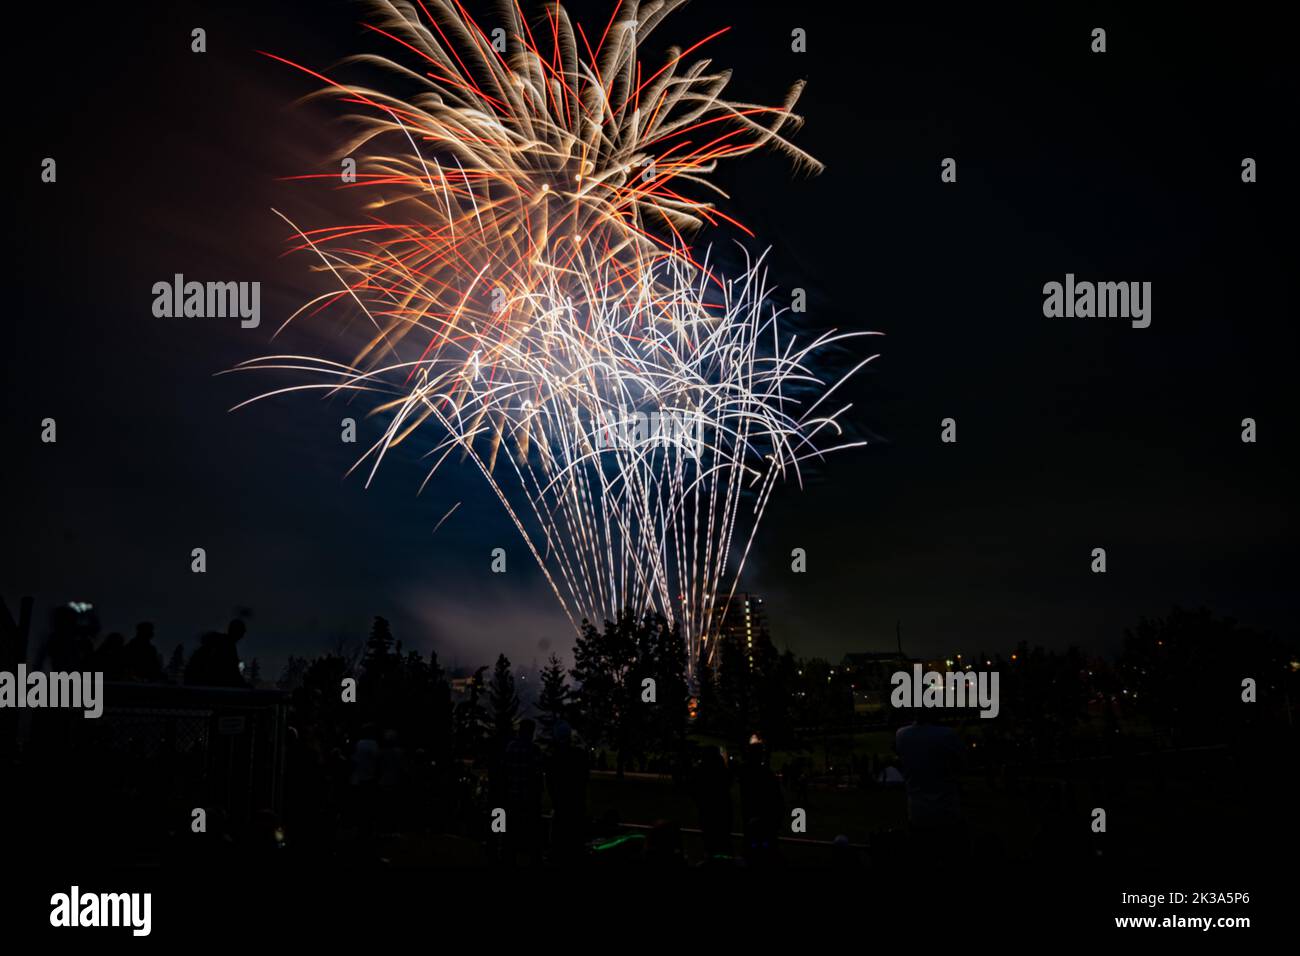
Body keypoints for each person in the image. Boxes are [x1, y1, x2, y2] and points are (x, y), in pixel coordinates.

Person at [894, 708, 966, 858]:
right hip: (947, 810)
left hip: (917, 811)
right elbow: (962, 762)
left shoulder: (902, 735)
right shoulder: (947, 735)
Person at [544, 720, 588, 862]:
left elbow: (550, 783)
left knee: (559, 842)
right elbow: (584, 779)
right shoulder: (579, 755)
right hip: (576, 804)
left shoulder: (553, 758)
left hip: (560, 804)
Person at [501, 719, 543, 864]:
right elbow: (537, 775)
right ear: (531, 732)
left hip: (511, 795)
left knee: (511, 829)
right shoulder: (534, 750)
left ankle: (509, 855)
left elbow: (505, 771)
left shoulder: (510, 747)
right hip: (527, 797)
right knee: (527, 829)